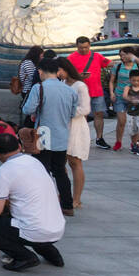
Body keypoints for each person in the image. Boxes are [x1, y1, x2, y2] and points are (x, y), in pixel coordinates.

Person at [0, 133, 66, 271]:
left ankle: (24, 256)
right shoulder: (35, 161)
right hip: (57, 227)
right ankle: (52, 254)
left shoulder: (4, 172)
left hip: (34, 230)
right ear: (19, 146)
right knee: (25, 219)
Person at [21, 57, 77, 216]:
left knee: (42, 170)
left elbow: (27, 109)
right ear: (57, 72)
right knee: (60, 171)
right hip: (62, 135)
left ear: (40, 71)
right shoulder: (69, 90)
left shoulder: (39, 88)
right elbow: (73, 113)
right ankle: (67, 204)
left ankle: (42, 204)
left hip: (43, 134)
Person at [56, 58, 91, 208]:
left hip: (76, 126)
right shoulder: (62, 84)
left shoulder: (80, 86)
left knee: (75, 161)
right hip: (62, 126)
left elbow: (85, 109)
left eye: (59, 70)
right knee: (60, 163)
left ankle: (77, 198)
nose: (58, 74)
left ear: (66, 69)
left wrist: (67, 112)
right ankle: (64, 194)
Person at [67, 36, 112, 147]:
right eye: (81, 48)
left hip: (96, 90)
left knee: (99, 114)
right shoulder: (71, 58)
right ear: (76, 46)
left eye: (86, 47)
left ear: (89, 46)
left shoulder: (96, 56)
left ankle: (99, 138)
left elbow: (110, 63)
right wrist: (79, 76)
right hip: (79, 91)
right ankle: (82, 138)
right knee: (82, 116)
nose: (84, 50)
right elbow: (66, 75)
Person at [109, 47, 137, 151]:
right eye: (120, 55)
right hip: (119, 96)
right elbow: (111, 81)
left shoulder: (138, 67)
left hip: (134, 97)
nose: (122, 57)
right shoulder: (118, 66)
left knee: (134, 121)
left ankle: (134, 143)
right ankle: (118, 141)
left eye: (124, 54)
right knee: (122, 121)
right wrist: (112, 92)